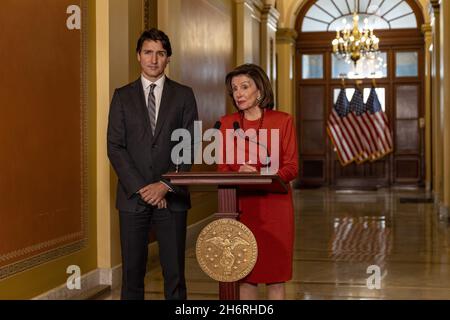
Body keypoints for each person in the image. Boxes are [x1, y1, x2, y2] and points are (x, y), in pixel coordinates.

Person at [107, 28, 198, 300]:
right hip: (132, 198)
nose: (153, 59)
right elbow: (115, 146)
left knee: (174, 276)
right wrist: (143, 188)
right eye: (148, 52)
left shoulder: (184, 95)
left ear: (168, 58)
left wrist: (164, 185)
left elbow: (189, 145)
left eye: (160, 53)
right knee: (132, 276)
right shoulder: (122, 96)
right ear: (138, 56)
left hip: (172, 197)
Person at [218, 64, 298, 300]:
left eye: (244, 87)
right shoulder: (226, 123)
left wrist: (262, 174)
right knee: (245, 276)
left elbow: (292, 167)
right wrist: (239, 173)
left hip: (276, 209)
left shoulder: (283, 121)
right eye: (234, 89)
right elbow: (222, 168)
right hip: (240, 208)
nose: (239, 93)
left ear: (260, 90)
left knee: (275, 277)